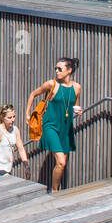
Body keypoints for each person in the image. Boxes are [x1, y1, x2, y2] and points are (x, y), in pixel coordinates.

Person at [25, 57, 83, 193]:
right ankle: (55, 191)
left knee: (61, 164)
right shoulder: (52, 84)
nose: (56, 71)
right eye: (55, 68)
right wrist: (27, 114)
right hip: (50, 125)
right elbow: (33, 94)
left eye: (60, 69)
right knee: (62, 162)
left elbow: (74, 106)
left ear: (69, 70)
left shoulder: (77, 87)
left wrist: (78, 110)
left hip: (66, 128)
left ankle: (54, 188)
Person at [0, 104, 29, 179]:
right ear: (3, 118)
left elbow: (21, 149)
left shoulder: (15, 130)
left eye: (14, 117)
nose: (13, 120)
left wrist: (27, 166)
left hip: (7, 169)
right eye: (9, 118)